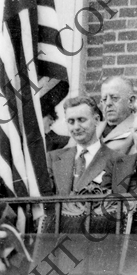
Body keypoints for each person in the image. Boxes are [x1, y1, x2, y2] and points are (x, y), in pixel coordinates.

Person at [46, 96, 122, 233]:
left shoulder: (116, 159)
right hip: (58, 232)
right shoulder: (53, 158)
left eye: (81, 120)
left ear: (96, 120)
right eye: (71, 121)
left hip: (95, 234)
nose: (76, 127)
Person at [98, 76, 137, 154]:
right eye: (104, 99)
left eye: (114, 98)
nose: (108, 103)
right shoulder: (94, 128)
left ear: (131, 101)